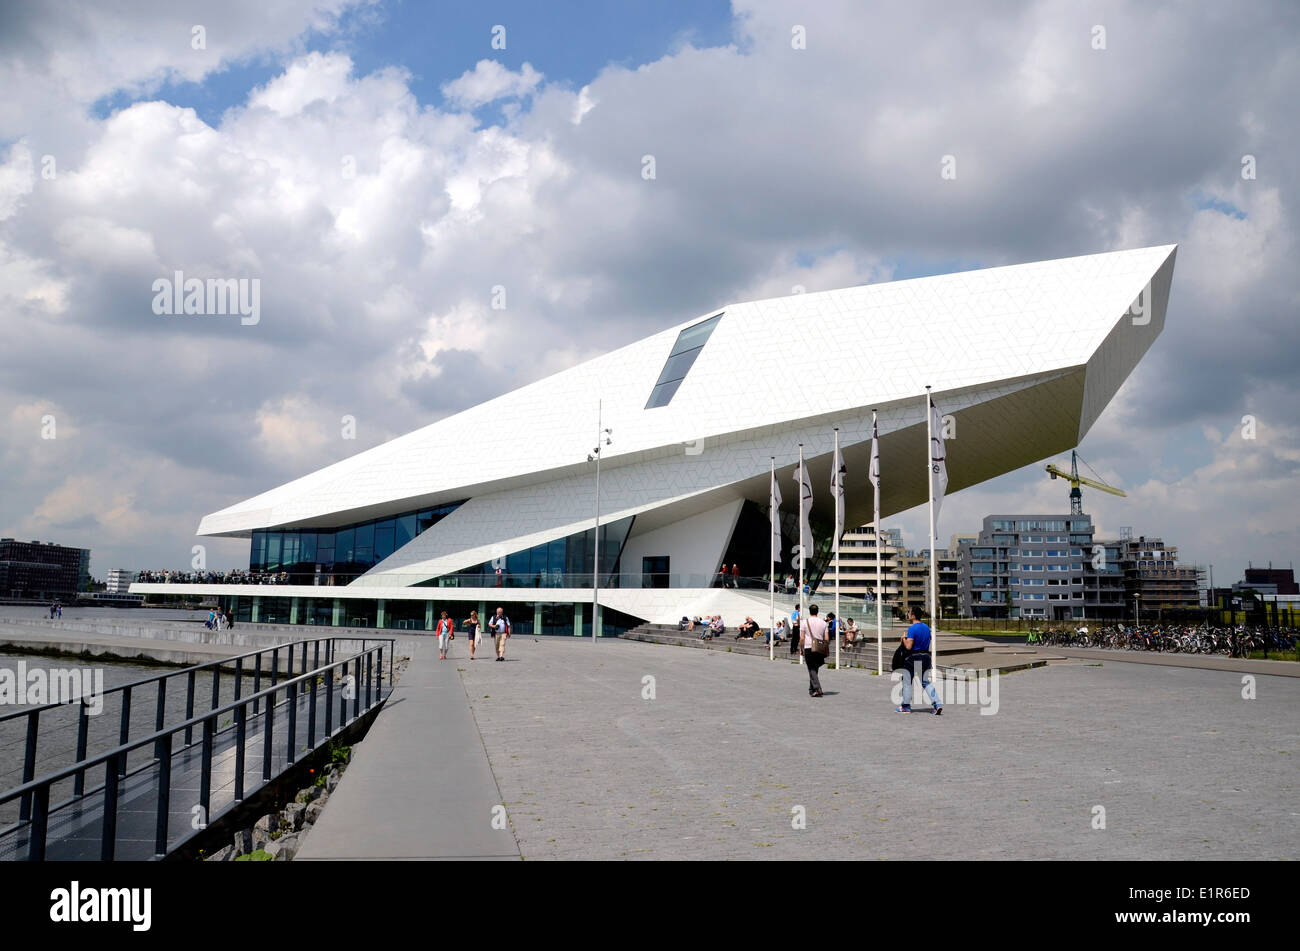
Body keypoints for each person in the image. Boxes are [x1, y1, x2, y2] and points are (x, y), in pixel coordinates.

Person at [896, 607, 942, 715]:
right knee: (925, 682)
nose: (908, 614)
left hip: (914, 658)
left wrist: (903, 639)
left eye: (909, 612)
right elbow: (927, 640)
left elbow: (908, 646)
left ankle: (906, 707)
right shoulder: (927, 627)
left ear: (913, 615)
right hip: (926, 656)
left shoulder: (912, 629)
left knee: (907, 682)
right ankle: (937, 704)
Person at [799, 603, 829, 697]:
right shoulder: (824, 623)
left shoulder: (805, 622)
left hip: (809, 647)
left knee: (811, 668)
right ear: (818, 612)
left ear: (809, 611)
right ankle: (812, 689)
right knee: (815, 668)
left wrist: (801, 648)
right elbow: (827, 638)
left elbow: (802, 638)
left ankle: (817, 688)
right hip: (819, 648)